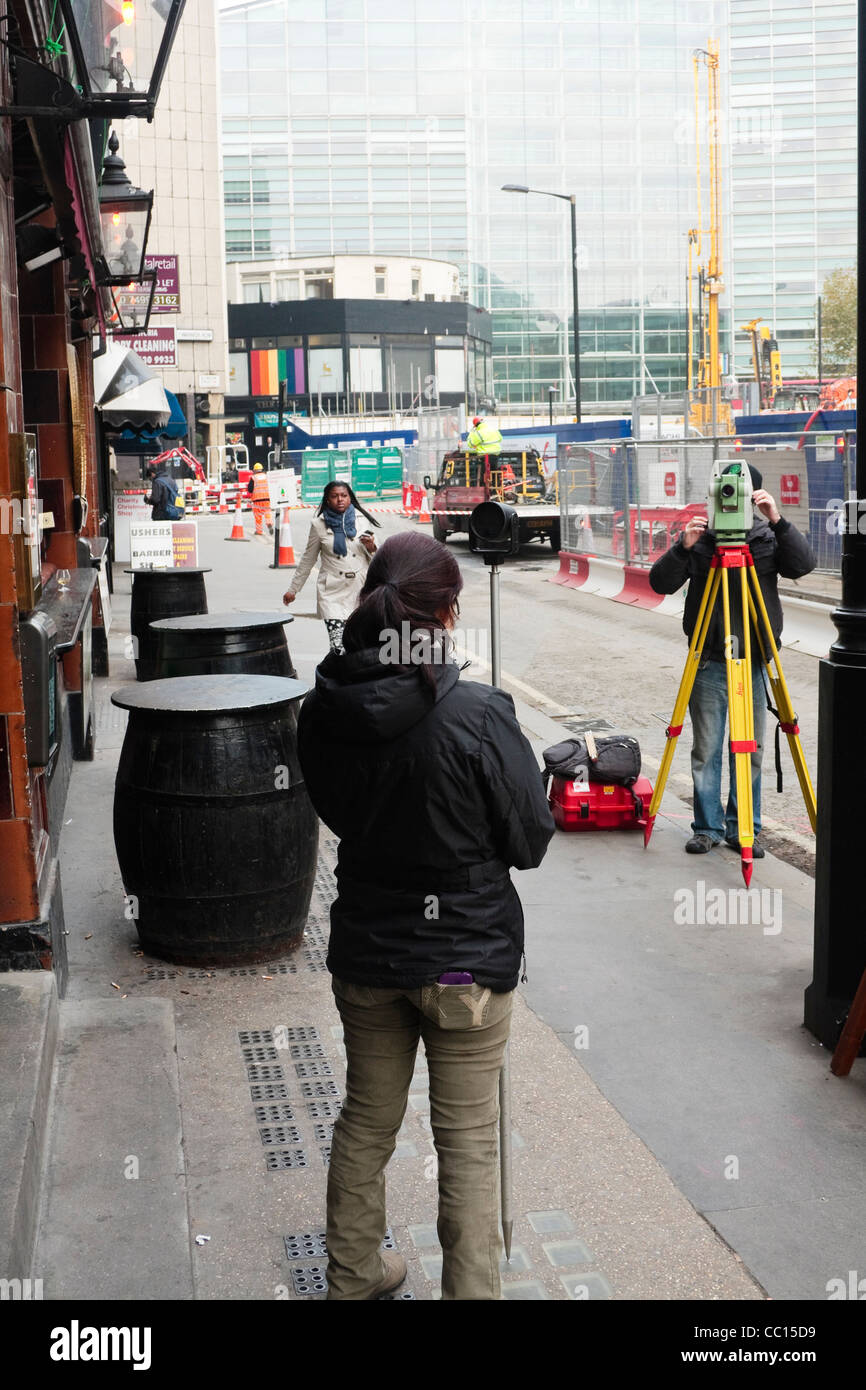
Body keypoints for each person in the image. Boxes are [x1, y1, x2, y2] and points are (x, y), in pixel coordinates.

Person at [296, 531, 555, 1300]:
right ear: (445, 613)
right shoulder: (479, 713)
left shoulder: (323, 711)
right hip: (466, 962)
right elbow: (530, 840)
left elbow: (340, 811)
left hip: (369, 952)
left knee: (365, 1121)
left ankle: (353, 1277)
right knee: (468, 1142)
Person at [649, 464, 815, 857]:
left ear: (753, 496)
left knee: (750, 751)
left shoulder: (766, 538)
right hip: (709, 661)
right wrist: (683, 547)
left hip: (753, 661)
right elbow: (660, 583)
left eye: (736, 490)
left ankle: (744, 829)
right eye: (723, 489)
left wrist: (777, 520)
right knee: (706, 751)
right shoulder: (701, 540)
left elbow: (803, 565)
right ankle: (707, 828)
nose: (728, 497)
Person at [282, 481, 380, 653]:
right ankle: (339, 669)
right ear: (327, 500)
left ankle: (350, 671)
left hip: (360, 591)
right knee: (338, 648)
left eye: (344, 496)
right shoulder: (318, 524)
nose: (339, 500)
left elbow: (377, 556)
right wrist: (293, 589)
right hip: (332, 593)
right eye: (334, 496)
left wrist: (371, 546)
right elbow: (308, 559)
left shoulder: (362, 520)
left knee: (359, 645)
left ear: (350, 498)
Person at [247, 462, 274, 537]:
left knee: (258, 516)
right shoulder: (267, 477)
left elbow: (250, 489)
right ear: (261, 470)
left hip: (257, 500)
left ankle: (259, 531)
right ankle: (269, 523)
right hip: (266, 499)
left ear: (255, 470)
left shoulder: (253, 478)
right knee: (267, 513)